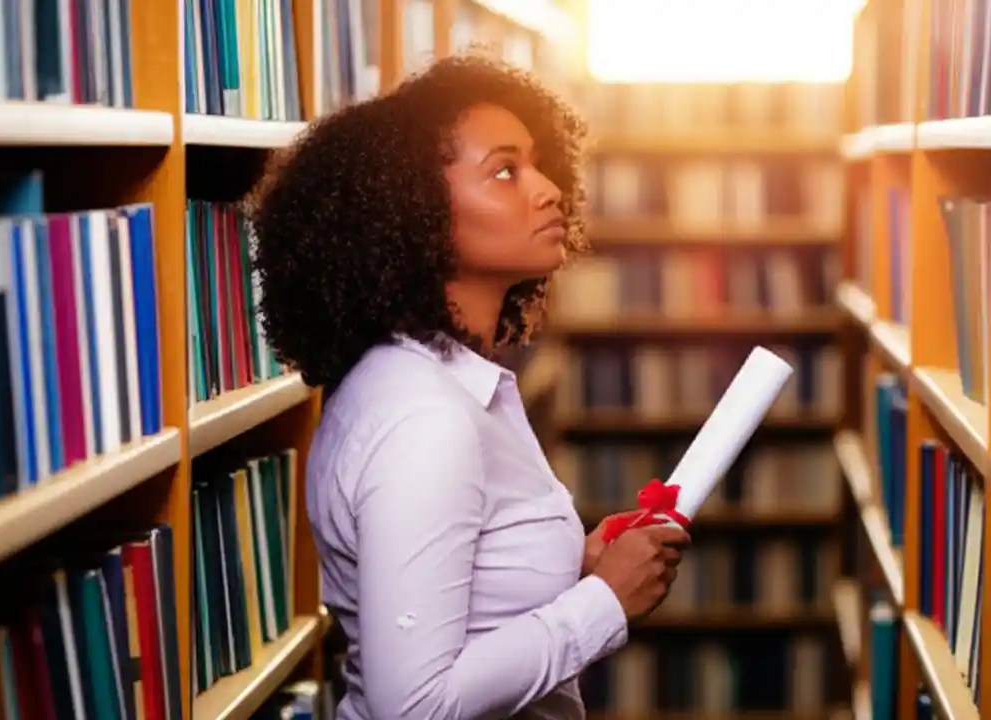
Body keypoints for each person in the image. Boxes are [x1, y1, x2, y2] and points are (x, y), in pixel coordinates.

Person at [250, 53, 689, 719]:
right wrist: (603, 603)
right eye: (505, 171)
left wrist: (577, 568)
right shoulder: (424, 418)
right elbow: (414, 706)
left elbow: (458, 601)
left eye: (538, 164)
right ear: (414, 211)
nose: (549, 190)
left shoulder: (428, 378)